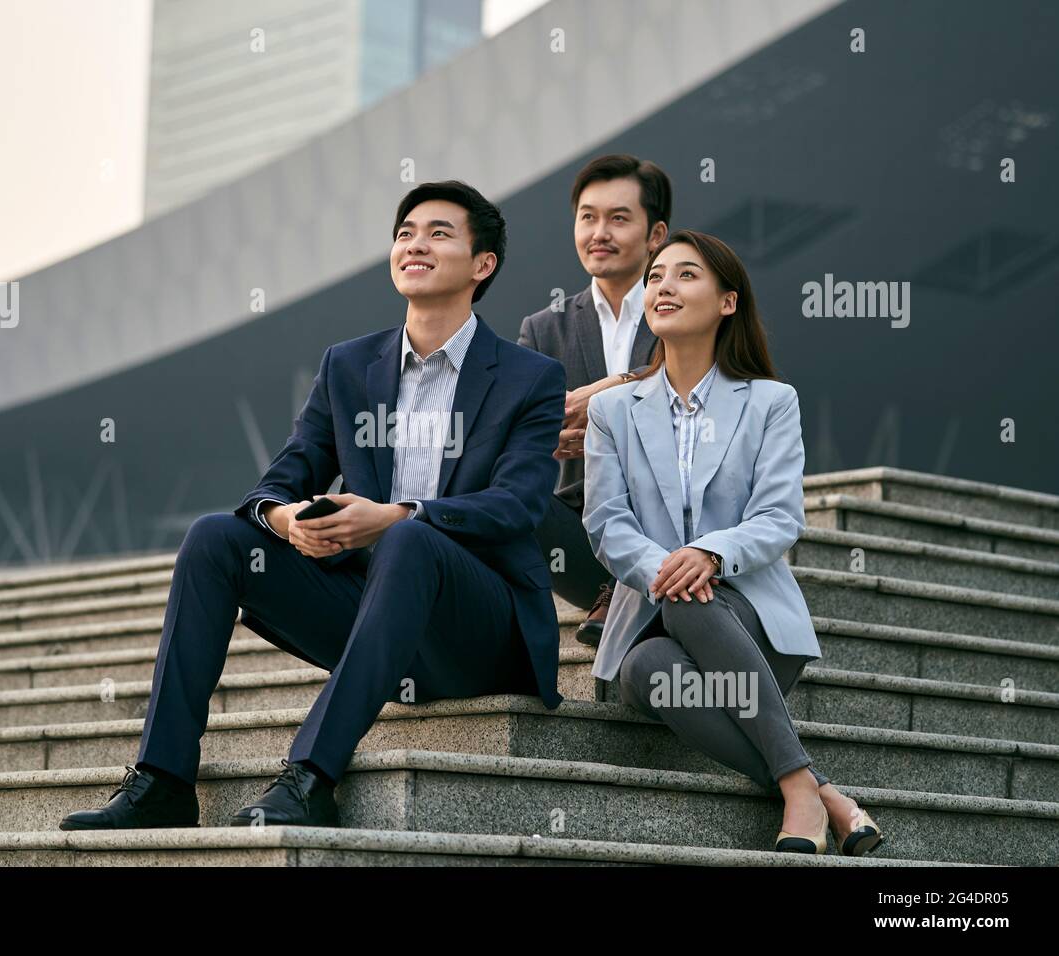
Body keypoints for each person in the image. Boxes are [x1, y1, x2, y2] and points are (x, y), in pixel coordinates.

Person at [60, 180, 565, 831]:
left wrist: (397, 515)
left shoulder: (528, 376)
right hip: (372, 613)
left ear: (482, 264)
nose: (415, 243)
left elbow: (518, 505)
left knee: (410, 539)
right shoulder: (350, 367)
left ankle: (310, 779)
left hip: (478, 632)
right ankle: (162, 778)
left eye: (439, 233)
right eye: (405, 232)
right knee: (216, 536)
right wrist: (286, 520)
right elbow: (278, 481)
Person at [581, 229, 884, 855]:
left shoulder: (771, 401)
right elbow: (606, 522)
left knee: (692, 600)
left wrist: (711, 555)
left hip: (755, 630)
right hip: (657, 624)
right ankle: (811, 787)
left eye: (686, 274)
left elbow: (779, 516)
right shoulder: (614, 412)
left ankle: (802, 792)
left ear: (728, 302)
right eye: (657, 275)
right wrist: (669, 567)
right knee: (644, 667)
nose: (664, 284)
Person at [518, 155, 669, 646]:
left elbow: (714, 389)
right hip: (583, 539)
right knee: (500, 483)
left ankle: (628, 591)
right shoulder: (543, 328)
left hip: (676, 524)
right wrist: (547, 436)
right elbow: (514, 426)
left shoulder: (689, 306)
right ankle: (618, 588)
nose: (599, 232)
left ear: (656, 235)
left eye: (618, 218)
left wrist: (616, 397)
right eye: (588, 217)